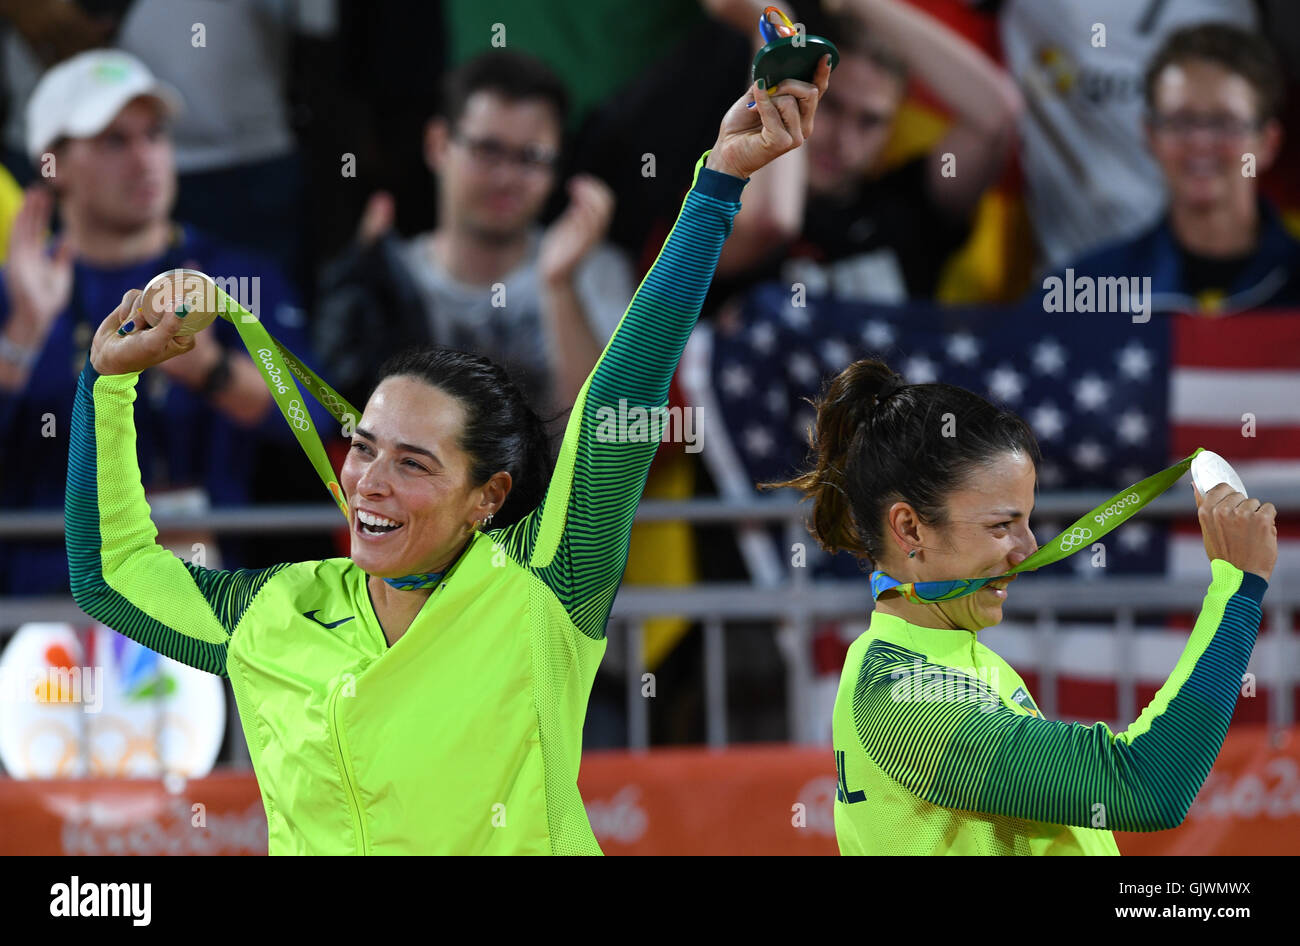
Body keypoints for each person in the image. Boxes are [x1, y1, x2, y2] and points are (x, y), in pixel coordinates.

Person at [65, 59, 832, 855]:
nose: (371, 481)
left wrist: (715, 189)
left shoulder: (541, 589)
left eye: (414, 463)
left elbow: (615, 413)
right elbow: (109, 574)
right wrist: (105, 386)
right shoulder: (274, 611)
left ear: (488, 497)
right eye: (364, 448)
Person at [768, 358, 1277, 855]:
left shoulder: (954, 661)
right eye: (1000, 526)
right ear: (910, 529)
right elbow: (1146, 785)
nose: (1027, 550)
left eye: (1027, 522)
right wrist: (1238, 591)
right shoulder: (904, 696)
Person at [0, 49, 323, 596]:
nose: (144, 158)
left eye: (154, 135)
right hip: (47, 604)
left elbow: (315, 421)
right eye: (113, 142)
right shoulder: (13, 290)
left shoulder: (235, 276)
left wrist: (211, 370)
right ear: (52, 165)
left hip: (206, 592)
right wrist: (23, 335)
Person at [312, 51, 635, 424]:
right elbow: (351, 433)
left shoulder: (593, 270)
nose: (506, 178)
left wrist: (559, 285)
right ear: (438, 145)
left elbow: (612, 439)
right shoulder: (387, 278)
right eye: (488, 150)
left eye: (532, 157)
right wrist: (357, 277)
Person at [713, 1, 1022, 306]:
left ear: (894, 124)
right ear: (795, 93)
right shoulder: (727, 198)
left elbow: (997, 115)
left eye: (870, 121)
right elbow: (768, 221)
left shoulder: (908, 210)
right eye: (831, 106)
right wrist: (776, 44)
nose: (844, 143)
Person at [1052, 22, 1299, 312]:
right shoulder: (1085, 292)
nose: (1201, 142)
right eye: (1180, 121)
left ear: (1267, 144)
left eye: (1225, 122)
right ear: (1151, 137)